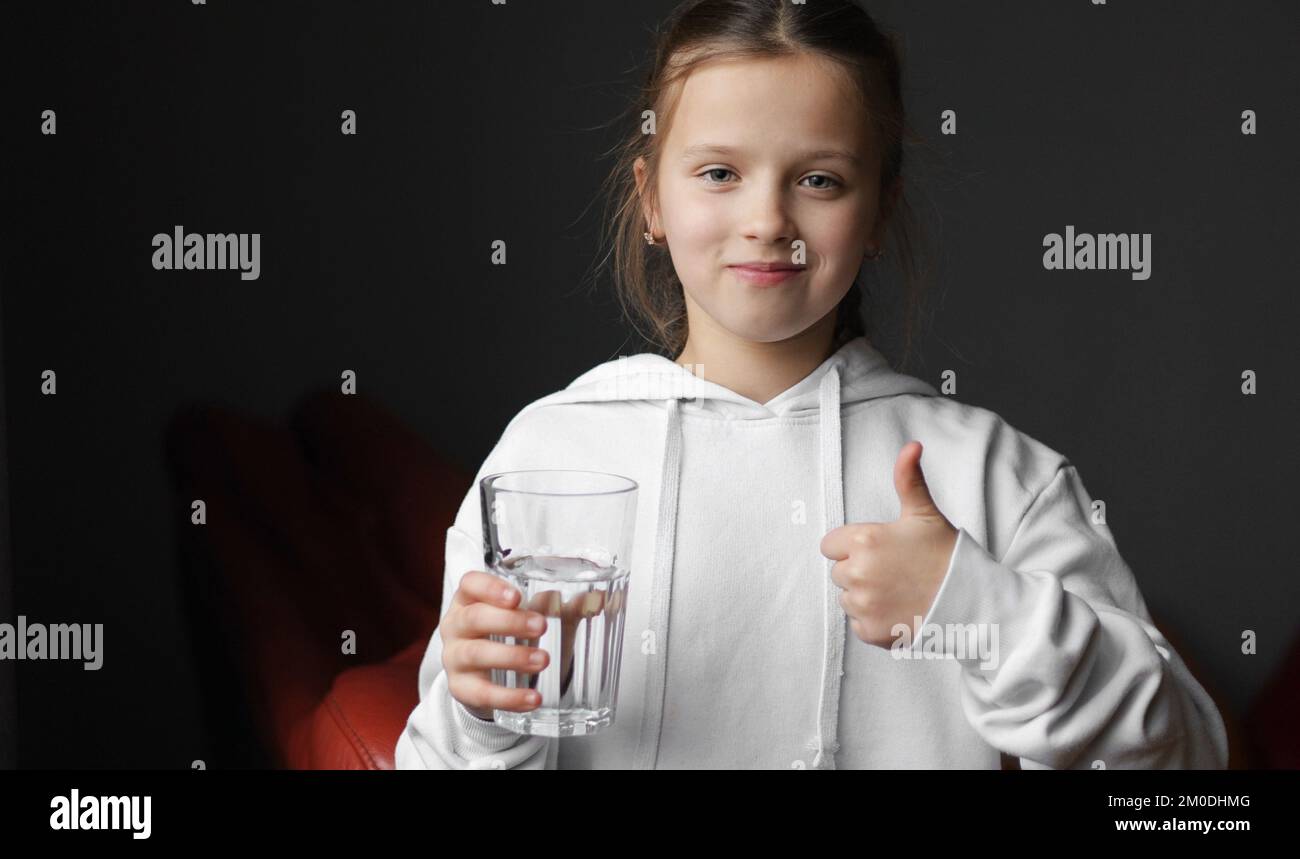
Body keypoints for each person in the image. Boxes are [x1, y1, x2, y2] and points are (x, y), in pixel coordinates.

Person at [394, 0, 1228, 770]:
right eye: (719, 172)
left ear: (877, 212)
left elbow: (1186, 770)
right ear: (651, 198)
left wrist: (975, 606)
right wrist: (482, 713)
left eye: (819, 179)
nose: (767, 219)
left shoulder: (990, 472)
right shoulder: (549, 454)